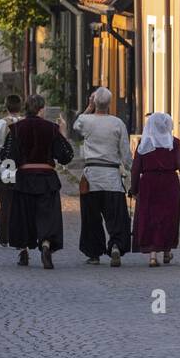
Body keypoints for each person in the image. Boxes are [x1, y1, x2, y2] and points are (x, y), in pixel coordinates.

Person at [2, 94, 73, 269]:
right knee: (47, 216)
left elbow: (8, 156)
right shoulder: (52, 128)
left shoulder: (16, 129)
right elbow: (66, 156)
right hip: (46, 179)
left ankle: (23, 251)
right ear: (42, 109)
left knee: (23, 217)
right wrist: (63, 135)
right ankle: (46, 244)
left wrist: (9, 182)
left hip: (24, 179)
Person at [73, 88, 132, 266]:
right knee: (116, 216)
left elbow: (76, 125)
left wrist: (89, 107)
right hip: (111, 176)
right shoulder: (117, 123)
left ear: (94, 102)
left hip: (92, 176)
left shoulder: (86, 120)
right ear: (110, 103)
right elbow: (125, 151)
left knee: (91, 218)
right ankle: (115, 245)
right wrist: (129, 168)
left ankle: (94, 253)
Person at [128, 112, 180, 267]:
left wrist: (135, 189)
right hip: (169, 184)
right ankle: (166, 251)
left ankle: (153, 255)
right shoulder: (174, 143)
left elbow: (135, 169)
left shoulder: (144, 144)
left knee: (150, 216)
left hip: (148, 184)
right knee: (168, 217)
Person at [0, 93, 22, 246]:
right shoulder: (26, 122)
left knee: (6, 202)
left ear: (6, 106)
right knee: (22, 199)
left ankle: (4, 237)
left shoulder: (0, 124)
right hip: (24, 164)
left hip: (8, 164)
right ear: (20, 107)